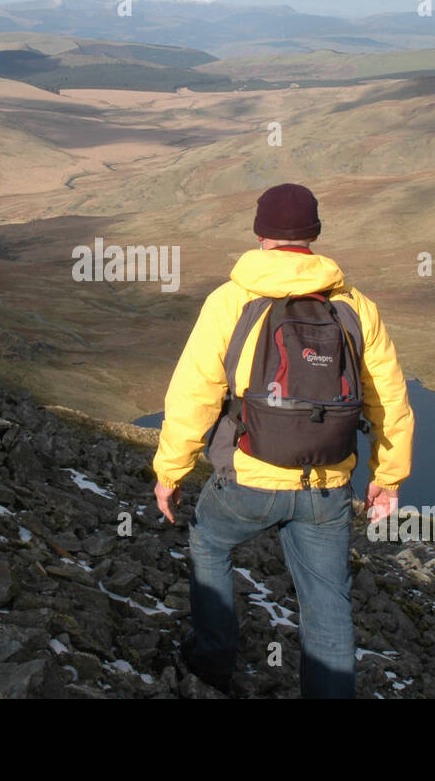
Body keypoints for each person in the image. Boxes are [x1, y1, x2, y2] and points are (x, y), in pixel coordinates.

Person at [152, 182, 414, 698]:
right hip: (326, 484)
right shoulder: (356, 307)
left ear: (259, 232)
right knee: (327, 601)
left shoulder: (232, 300)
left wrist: (170, 472)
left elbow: (194, 393)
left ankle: (212, 662)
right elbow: (389, 402)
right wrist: (388, 480)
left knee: (209, 543)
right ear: (313, 234)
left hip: (247, 477)